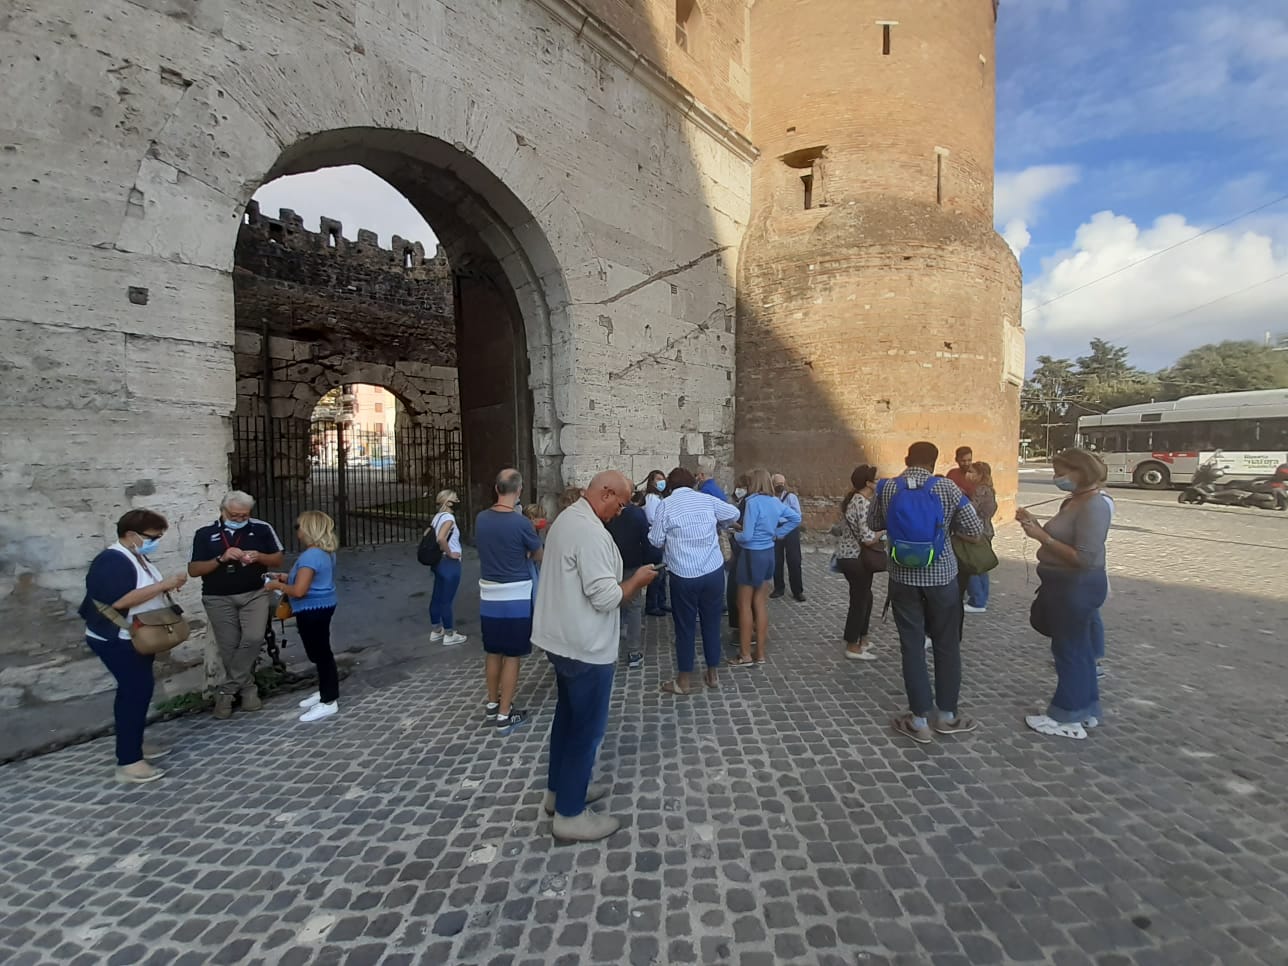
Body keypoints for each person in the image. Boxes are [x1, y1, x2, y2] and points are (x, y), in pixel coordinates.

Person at [533, 471, 658, 842]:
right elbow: (605, 597)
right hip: (584, 646)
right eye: (618, 505)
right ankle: (570, 815)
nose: (619, 513)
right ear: (605, 493)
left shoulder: (568, 519)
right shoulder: (589, 532)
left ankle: (560, 793)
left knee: (568, 721)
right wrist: (637, 582)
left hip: (562, 639)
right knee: (585, 730)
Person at [868, 441, 985, 743]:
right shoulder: (947, 489)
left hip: (902, 576)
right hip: (942, 576)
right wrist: (945, 530)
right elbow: (974, 529)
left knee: (912, 645)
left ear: (907, 459)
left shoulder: (887, 488)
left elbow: (873, 523)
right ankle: (947, 716)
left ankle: (919, 719)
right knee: (947, 644)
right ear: (935, 463)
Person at [80, 509, 189, 783]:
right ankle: (128, 761)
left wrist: (166, 587)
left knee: (137, 692)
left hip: (137, 636)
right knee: (135, 693)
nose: (157, 541)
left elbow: (144, 590)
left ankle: (134, 744)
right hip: (116, 639)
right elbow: (118, 600)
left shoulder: (136, 555)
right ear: (130, 535)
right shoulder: (112, 561)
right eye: (153, 536)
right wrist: (164, 584)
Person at [1016, 449, 1112, 740]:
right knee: (1080, 651)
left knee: (1069, 652)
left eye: (1061, 472)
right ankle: (1086, 710)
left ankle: (1065, 717)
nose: (1056, 478)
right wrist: (1034, 525)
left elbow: (1085, 557)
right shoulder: (1074, 501)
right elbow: (1062, 538)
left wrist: (1041, 536)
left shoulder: (1094, 506)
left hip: (1076, 586)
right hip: (1062, 584)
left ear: (1080, 472)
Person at [187, 491, 285, 720]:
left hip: (254, 593)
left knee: (252, 638)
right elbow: (193, 570)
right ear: (223, 511)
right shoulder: (205, 534)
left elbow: (278, 558)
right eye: (235, 515)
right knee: (229, 647)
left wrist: (259, 556)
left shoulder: (261, 528)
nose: (240, 519)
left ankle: (227, 691)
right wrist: (221, 558)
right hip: (218, 597)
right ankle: (249, 690)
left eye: (244, 515)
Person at [649, 467, 740, 693]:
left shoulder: (666, 505)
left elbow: (656, 539)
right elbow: (733, 513)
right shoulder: (707, 500)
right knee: (711, 623)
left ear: (670, 484)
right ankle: (712, 673)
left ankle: (684, 680)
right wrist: (718, 525)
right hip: (712, 571)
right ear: (692, 482)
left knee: (685, 627)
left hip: (683, 575)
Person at [475, 468, 543, 735]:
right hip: (515, 594)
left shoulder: (481, 519)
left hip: (489, 593)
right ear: (519, 491)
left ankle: (492, 702)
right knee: (513, 655)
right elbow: (538, 554)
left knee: (493, 651)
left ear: (496, 489)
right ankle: (505, 714)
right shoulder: (520, 523)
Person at [267, 511, 341, 722]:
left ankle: (329, 700)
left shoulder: (310, 556)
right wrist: (284, 577)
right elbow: (312, 579)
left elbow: (299, 590)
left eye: (298, 527)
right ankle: (325, 690)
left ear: (308, 529)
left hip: (312, 609)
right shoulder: (326, 552)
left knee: (320, 653)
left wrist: (276, 585)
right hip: (324, 604)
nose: (296, 531)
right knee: (321, 652)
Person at [729, 469, 800, 667]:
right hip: (768, 552)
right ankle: (760, 653)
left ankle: (745, 654)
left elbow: (747, 535)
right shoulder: (776, 502)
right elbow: (796, 518)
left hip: (752, 553)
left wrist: (734, 535)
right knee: (760, 603)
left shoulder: (752, 503)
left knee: (743, 604)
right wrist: (778, 533)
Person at [605, 489, 660, 669]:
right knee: (634, 606)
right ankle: (633, 652)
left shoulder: (604, 512)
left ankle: (609, 646)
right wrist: (651, 560)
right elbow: (646, 540)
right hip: (631, 563)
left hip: (610, 563)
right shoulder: (637, 514)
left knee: (612, 602)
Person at [835, 465, 883, 661]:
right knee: (859, 601)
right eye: (876, 479)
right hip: (855, 557)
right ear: (868, 483)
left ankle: (863, 639)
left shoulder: (858, 500)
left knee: (865, 598)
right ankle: (852, 645)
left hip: (854, 556)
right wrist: (884, 530)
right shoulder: (861, 502)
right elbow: (868, 538)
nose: (879, 482)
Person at [428, 490, 467, 646]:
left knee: (437, 596)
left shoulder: (436, 518)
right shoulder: (449, 518)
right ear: (448, 502)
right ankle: (449, 633)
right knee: (447, 599)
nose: (458, 501)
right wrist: (450, 553)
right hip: (449, 563)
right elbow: (441, 538)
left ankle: (436, 629)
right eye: (455, 499)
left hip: (438, 562)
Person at [961, 462, 998, 614]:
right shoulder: (988, 490)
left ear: (980, 475)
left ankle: (977, 600)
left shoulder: (981, 490)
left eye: (971, 472)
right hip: (986, 530)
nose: (968, 474)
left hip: (977, 531)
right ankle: (981, 598)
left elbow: (971, 510)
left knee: (972, 566)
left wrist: (962, 497)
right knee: (981, 565)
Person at [769, 473, 805, 602]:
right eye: (777, 483)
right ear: (772, 484)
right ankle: (779, 588)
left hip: (790, 530)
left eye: (782, 483)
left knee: (794, 561)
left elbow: (797, 515)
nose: (780, 486)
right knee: (776, 560)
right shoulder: (770, 498)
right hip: (775, 529)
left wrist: (782, 518)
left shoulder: (791, 497)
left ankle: (797, 591)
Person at [641, 469, 669, 616]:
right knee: (656, 572)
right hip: (654, 538)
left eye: (662, 478)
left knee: (662, 573)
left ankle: (661, 601)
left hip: (660, 537)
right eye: (658, 479)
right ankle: (652, 604)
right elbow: (653, 518)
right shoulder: (651, 498)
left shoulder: (659, 498)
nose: (661, 482)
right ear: (652, 481)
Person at [725, 475, 750, 639]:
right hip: (752, 551)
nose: (737, 489)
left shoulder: (749, 502)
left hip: (743, 549)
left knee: (738, 591)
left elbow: (746, 529)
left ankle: (742, 630)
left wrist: (735, 533)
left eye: (740, 486)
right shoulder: (748, 501)